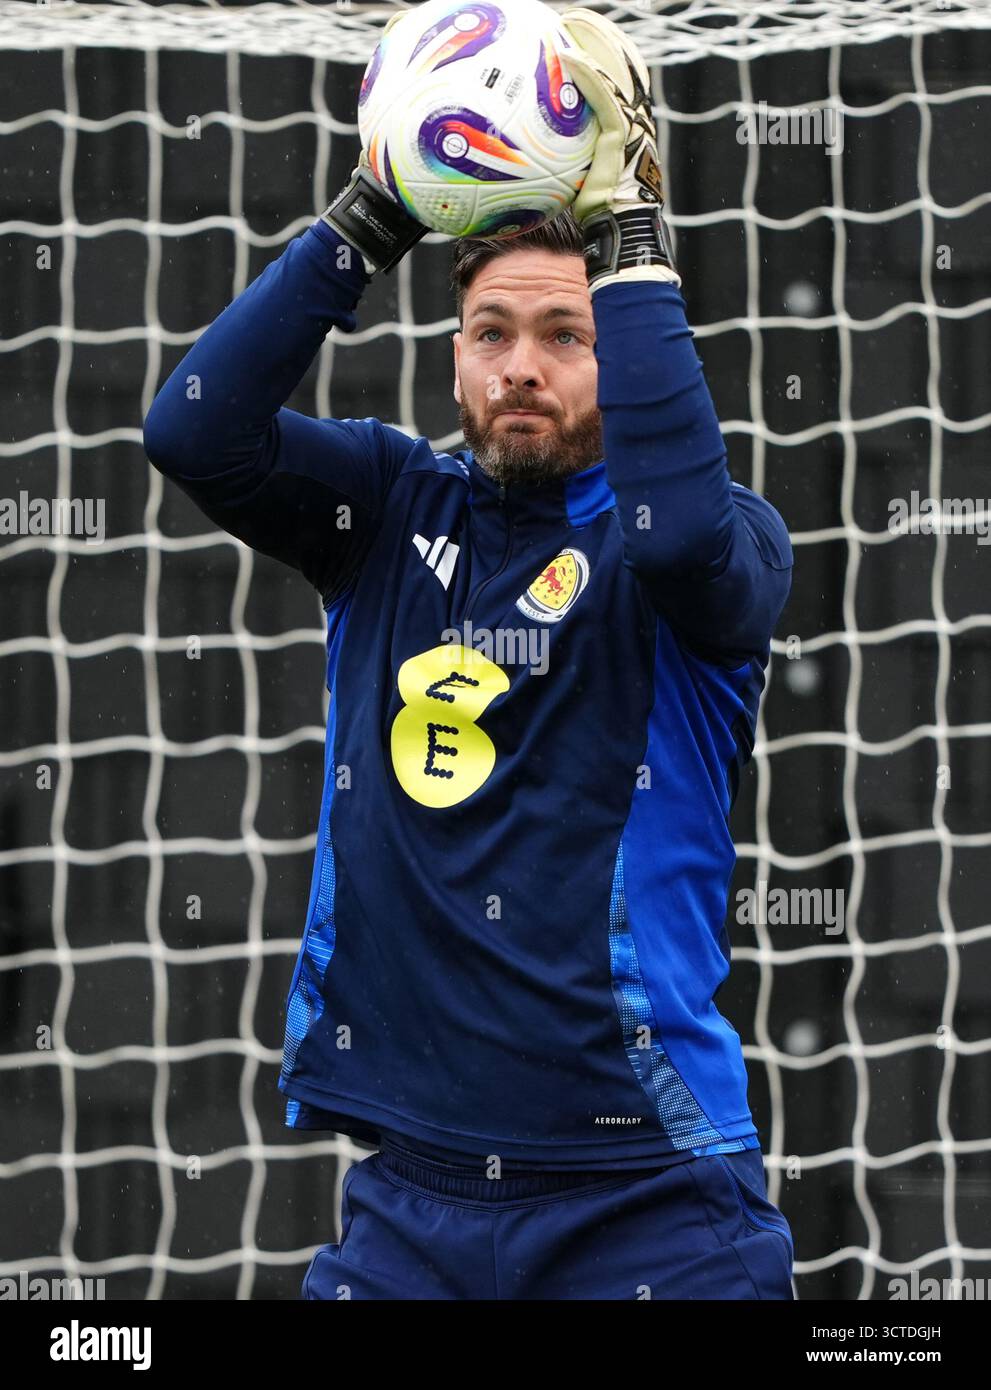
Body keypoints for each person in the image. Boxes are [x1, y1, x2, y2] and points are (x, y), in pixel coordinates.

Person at [143, 7, 795, 1299]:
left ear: (631, 356)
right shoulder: (387, 509)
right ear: (454, 358)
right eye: (492, 333)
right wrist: (372, 216)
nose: (523, 369)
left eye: (568, 336)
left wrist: (631, 240)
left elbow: (670, 539)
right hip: (411, 1201)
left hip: (650, 1195)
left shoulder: (719, 545)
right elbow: (190, 432)